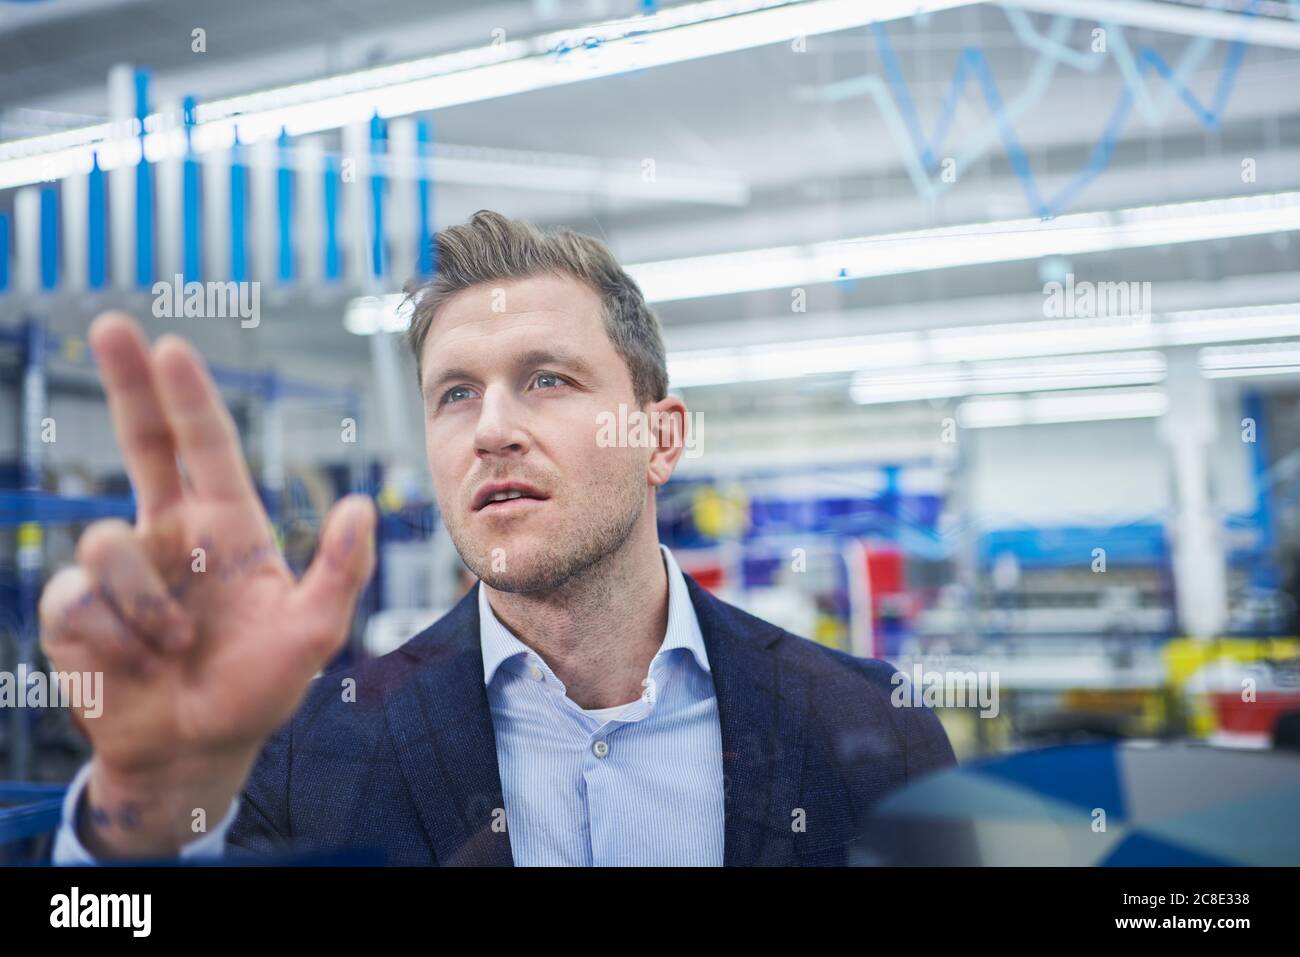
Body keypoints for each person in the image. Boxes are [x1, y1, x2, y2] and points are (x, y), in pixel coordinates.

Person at [42, 210, 954, 866]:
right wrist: (145, 812)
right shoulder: (308, 753)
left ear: (660, 438)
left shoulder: (871, 727)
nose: (492, 429)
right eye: (456, 393)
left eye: (548, 379)